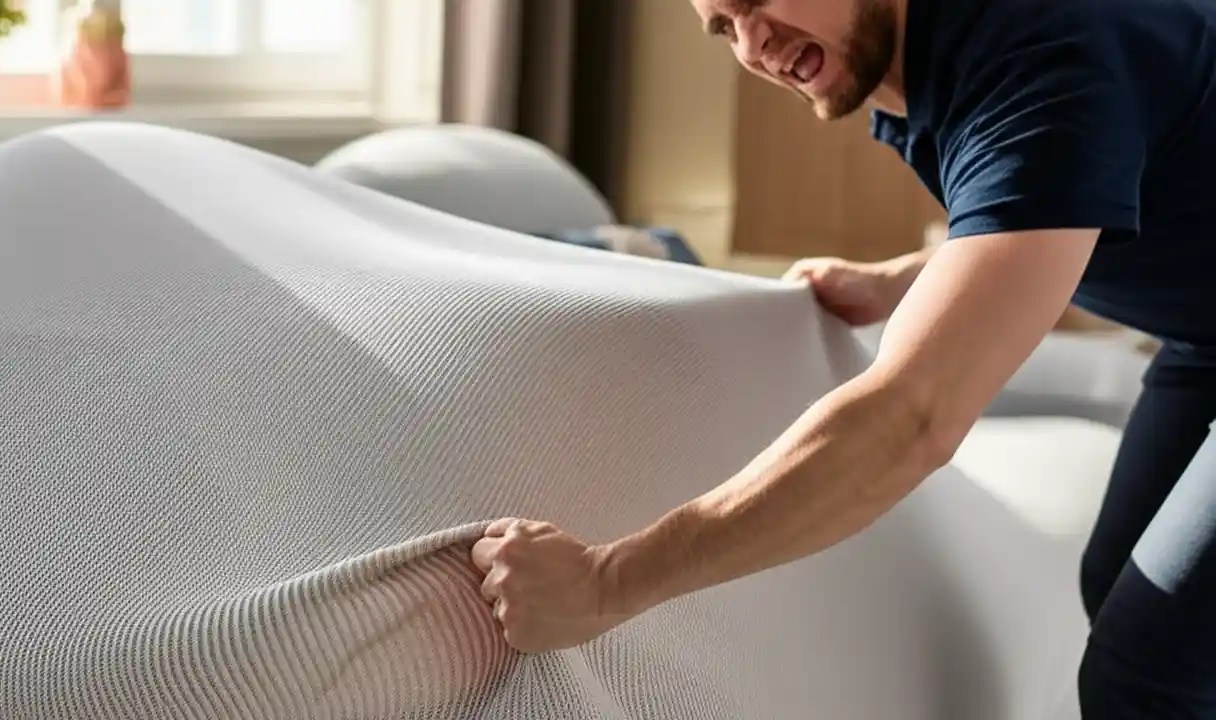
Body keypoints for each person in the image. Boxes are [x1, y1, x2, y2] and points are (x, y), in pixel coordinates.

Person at [470, 0, 1216, 714]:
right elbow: (1052, 200)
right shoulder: (927, 63)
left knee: (1149, 672)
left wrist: (606, 582)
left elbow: (912, 418)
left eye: (758, 1)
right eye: (724, 27)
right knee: (1118, 584)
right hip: (1201, 338)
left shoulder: (1039, 60)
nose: (752, 47)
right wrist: (903, 280)